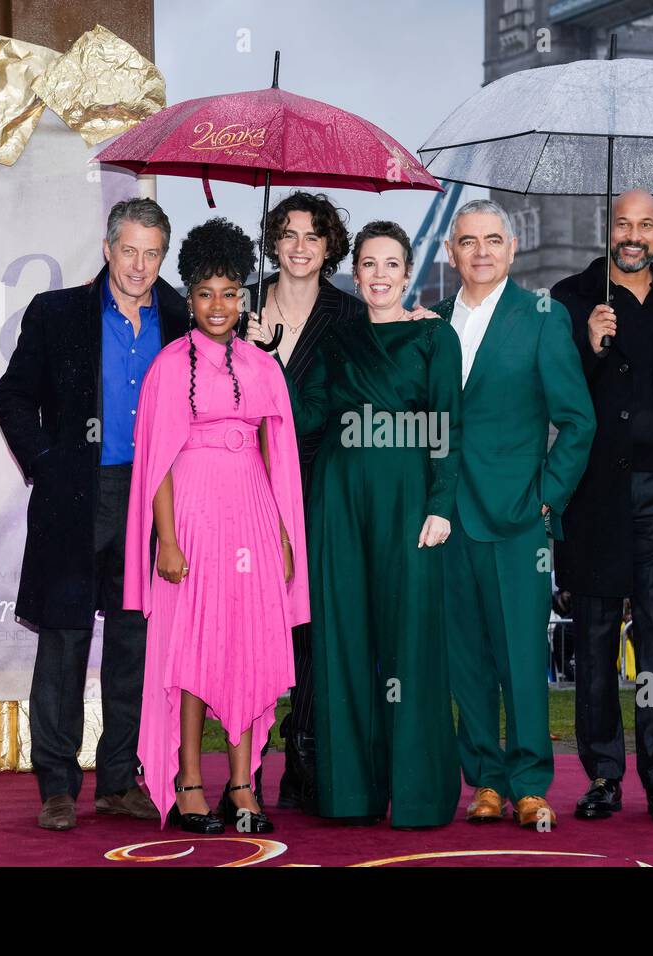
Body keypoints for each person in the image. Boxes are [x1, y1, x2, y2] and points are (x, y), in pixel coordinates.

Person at [0, 198, 188, 831]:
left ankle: (117, 781)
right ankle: (56, 785)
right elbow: (13, 397)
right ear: (107, 249)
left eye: (151, 253)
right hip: (77, 494)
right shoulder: (57, 313)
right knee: (64, 638)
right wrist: (47, 464)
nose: (138, 265)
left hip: (152, 495)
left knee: (135, 640)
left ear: (164, 256)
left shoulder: (184, 316)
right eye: (128, 250)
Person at [122, 218, 308, 835]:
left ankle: (242, 784)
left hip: (251, 515)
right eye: (205, 293)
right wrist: (167, 540)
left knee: (248, 647)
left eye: (231, 292)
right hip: (193, 522)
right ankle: (189, 780)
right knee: (193, 650)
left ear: (244, 298)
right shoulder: (168, 368)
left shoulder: (263, 368)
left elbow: (278, 459)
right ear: (189, 296)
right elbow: (158, 465)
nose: (218, 305)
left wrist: (283, 538)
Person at [279, 220, 462, 828]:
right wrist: (267, 359)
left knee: (411, 639)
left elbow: (447, 425)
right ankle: (350, 794)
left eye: (391, 264)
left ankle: (418, 795)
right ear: (353, 274)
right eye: (368, 264)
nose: (379, 275)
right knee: (342, 640)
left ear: (408, 274)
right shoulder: (337, 339)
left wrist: (441, 503)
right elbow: (305, 418)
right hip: (337, 499)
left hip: (409, 500)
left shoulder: (436, 339)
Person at [430, 200, 595, 828]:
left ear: (513, 247)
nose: (480, 251)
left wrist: (546, 498)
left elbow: (578, 422)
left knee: (522, 660)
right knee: (465, 660)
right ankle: (486, 782)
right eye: (467, 240)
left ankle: (530, 782)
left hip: (519, 520)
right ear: (451, 250)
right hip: (445, 522)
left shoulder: (542, 319)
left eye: (492, 240)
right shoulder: (434, 321)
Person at [551, 188, 653, 825]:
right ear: (606, 229)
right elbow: (551, 393)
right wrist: (588, 343)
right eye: (622, 224)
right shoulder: (569, 298)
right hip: (594, 497)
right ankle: (604, 775)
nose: (632, 235)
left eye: (646, 226)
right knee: (596, 643)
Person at [244, 191, 363, 814]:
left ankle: (308, 757)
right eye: (287, 233)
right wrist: (253, 351)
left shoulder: (347, 313)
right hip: (245, 486)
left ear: (328, 246)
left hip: (321, 487)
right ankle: (247, 772)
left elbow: (343, 400)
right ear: (274, 240)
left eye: (312, 236)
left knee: (312, 626)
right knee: (256, 629)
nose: (298, 246)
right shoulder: (238, 306)